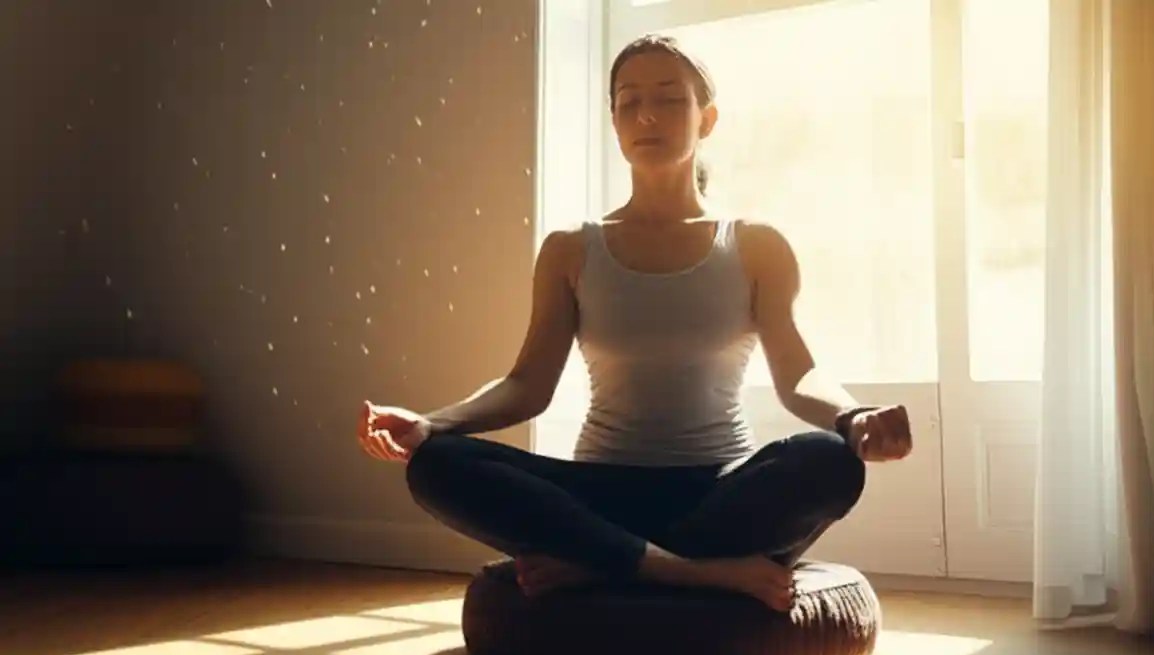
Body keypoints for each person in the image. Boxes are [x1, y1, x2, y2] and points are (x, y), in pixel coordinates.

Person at [356, 34, 913, 612]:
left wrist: (855, 417)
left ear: (708, 118)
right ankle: (690, 572)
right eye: (628, 101)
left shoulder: (754, 244)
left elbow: (798, 374)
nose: (646, 114)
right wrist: (429, 424)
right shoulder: (572, 248)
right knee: (439, 464)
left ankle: (604, 564)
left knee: (829, 461)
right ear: (615, 120)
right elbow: (527, 384)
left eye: (670, 99)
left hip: (717, 490)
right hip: (598, 492)